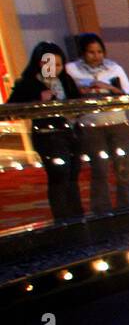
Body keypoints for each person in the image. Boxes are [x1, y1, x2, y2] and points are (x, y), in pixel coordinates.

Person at [6, 42, 83, 223]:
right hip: (48, 134)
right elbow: (12, 109)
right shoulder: (28, 83)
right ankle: (62, 219)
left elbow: (77, 102)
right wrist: (37, 100)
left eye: (58, 64)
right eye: (50, 64)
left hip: (71, 132)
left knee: (73, 175)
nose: (55, 69)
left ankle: (77, 216)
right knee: (59, 175)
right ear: (40, 63)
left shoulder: (65, 80)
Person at [65, 33, 129, 215]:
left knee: (123, 165)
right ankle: (101, 209)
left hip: (117, 121)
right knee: (100, 167)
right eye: (91, 52)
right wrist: (83, 90)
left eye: (99, 51)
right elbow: (62, 94)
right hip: (91, 125)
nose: (96, 56)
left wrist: (111, 89)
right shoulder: (72, 70)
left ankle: (128, 206)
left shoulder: (114, 68)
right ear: (83, 53)